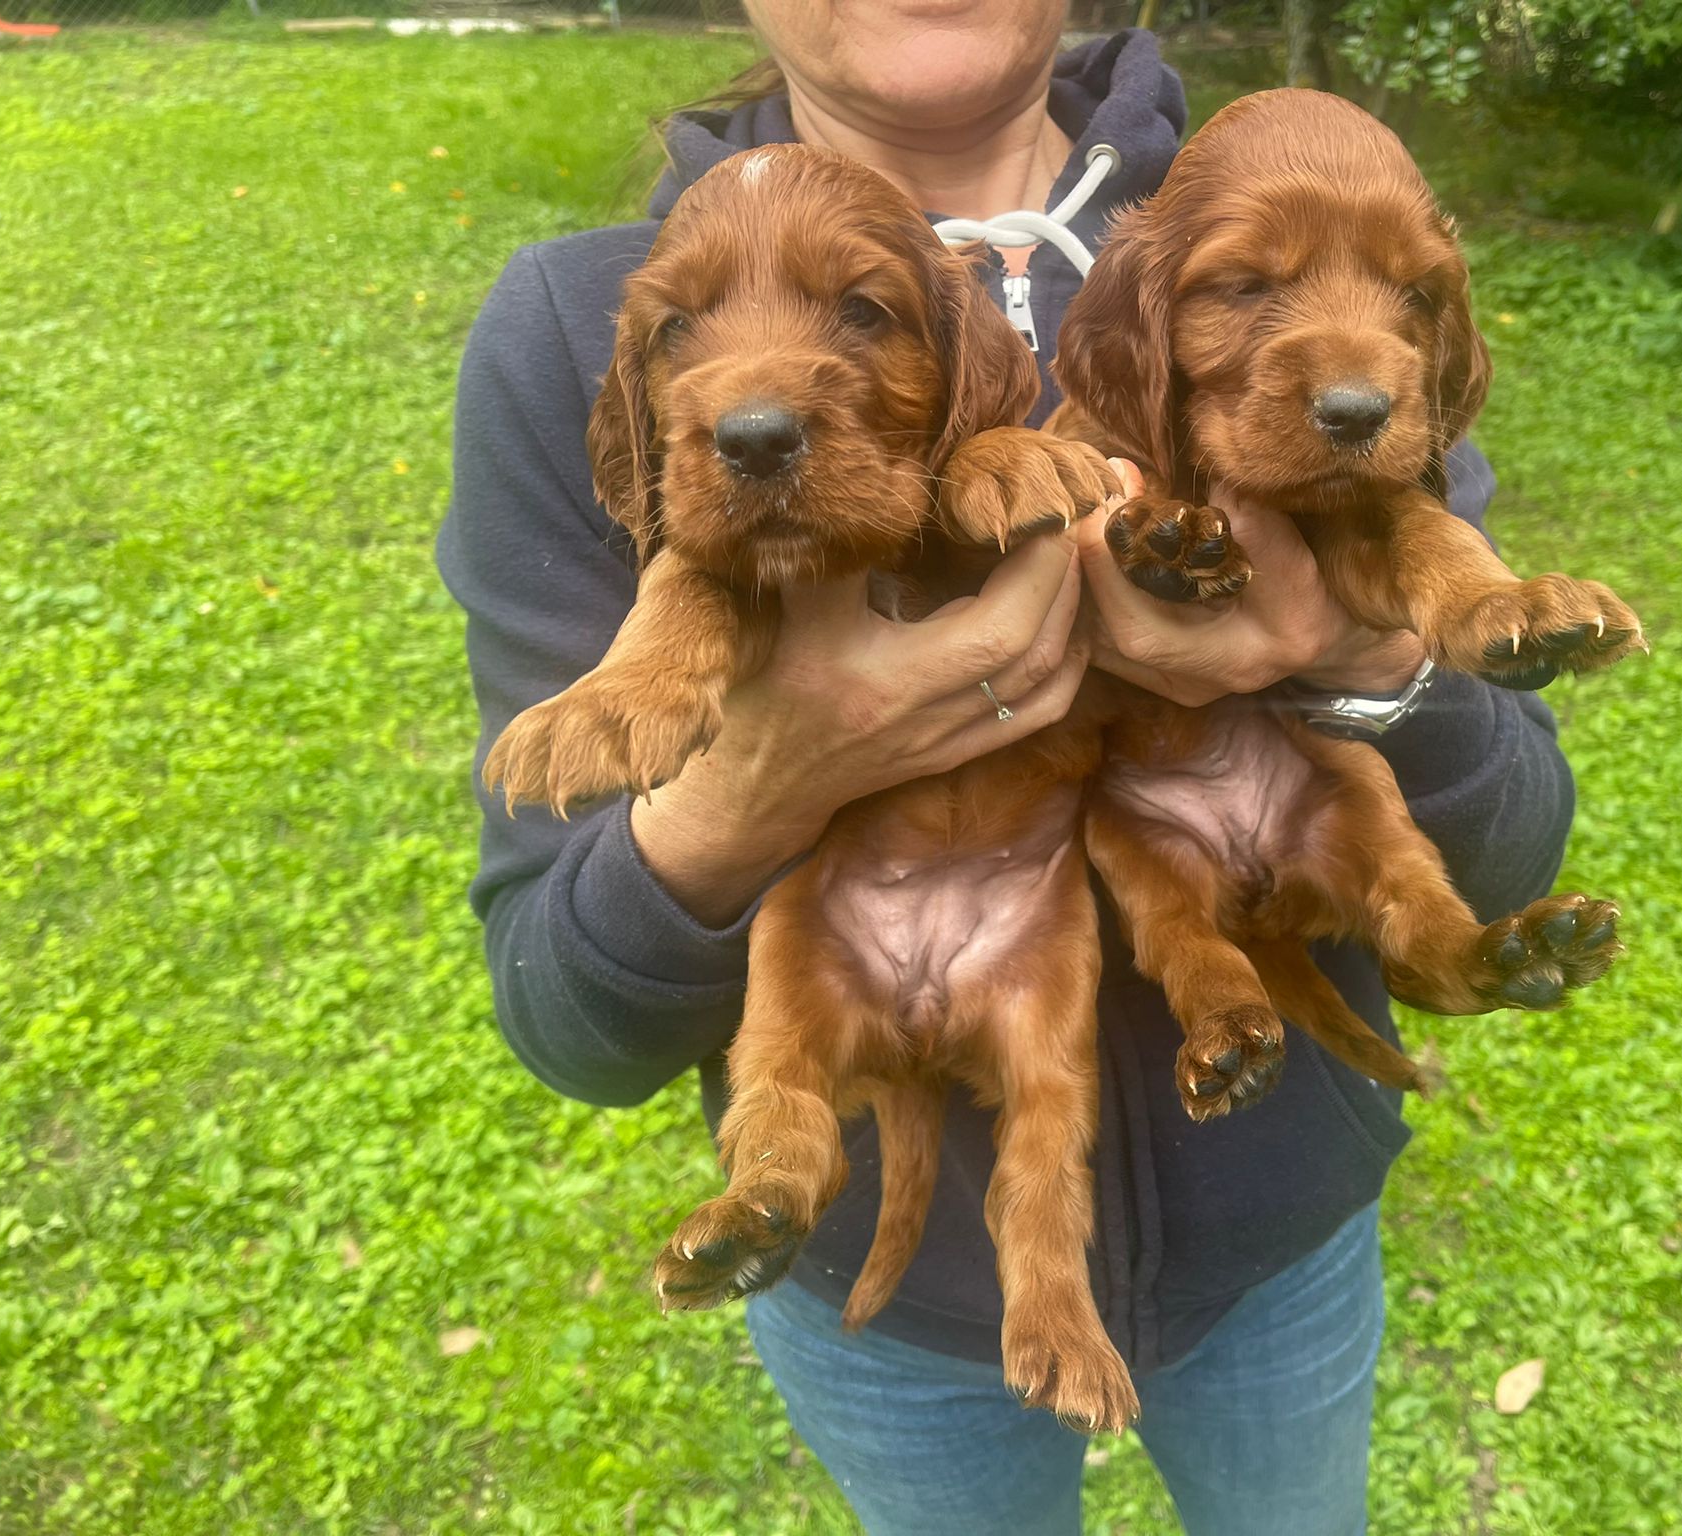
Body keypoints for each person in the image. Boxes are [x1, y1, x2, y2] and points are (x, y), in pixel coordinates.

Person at [436, 5, 1575, 1531]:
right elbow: (563, 1018)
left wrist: (1367, 666)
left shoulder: (1288, 219)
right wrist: (750, 786)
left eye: (862, 316)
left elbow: (1516, 831)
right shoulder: (576, 326)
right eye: (686, 331)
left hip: (1281, 1242)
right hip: (895, 1320)